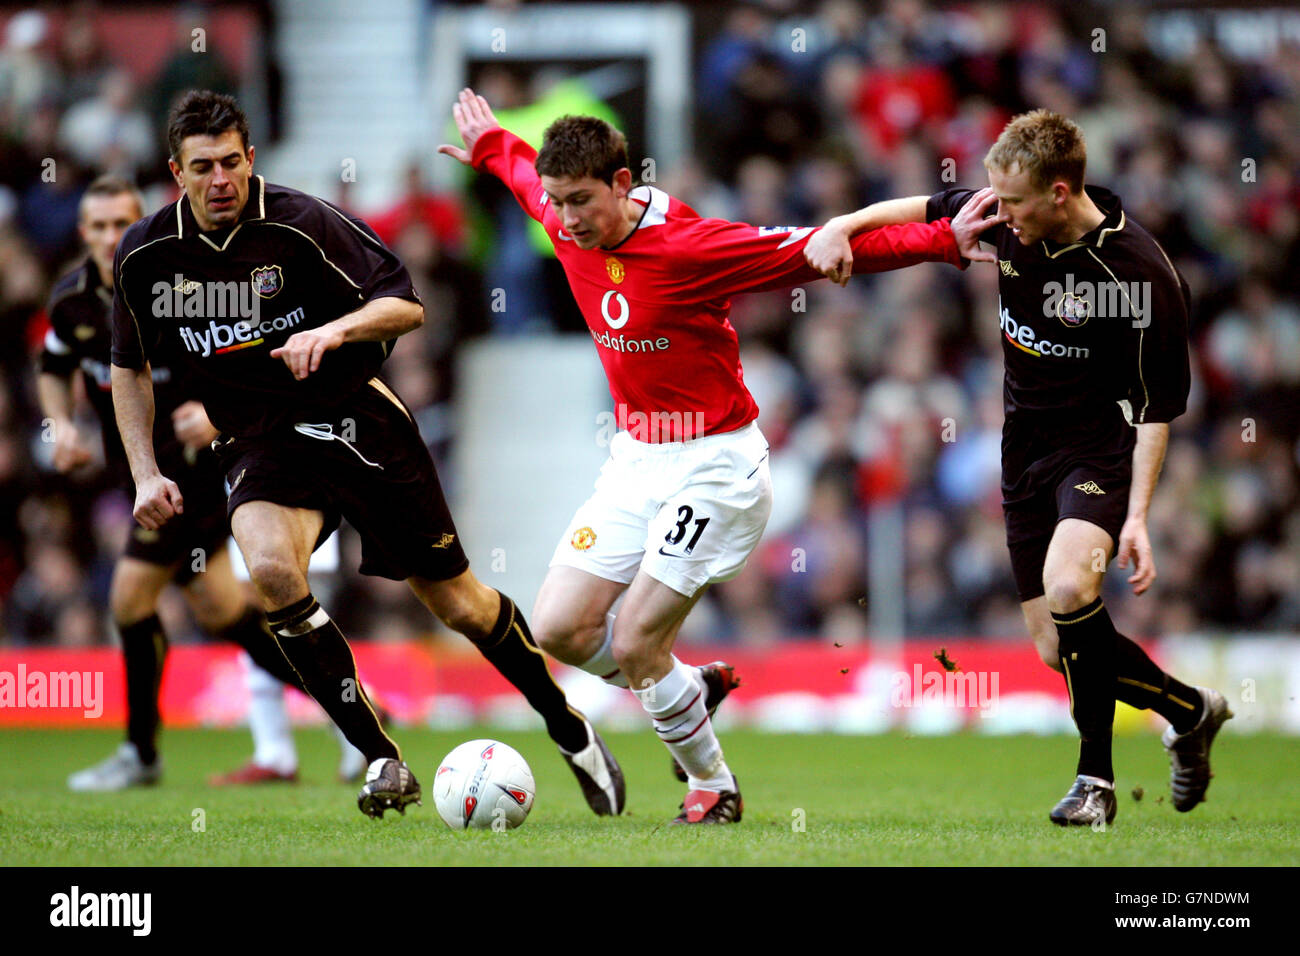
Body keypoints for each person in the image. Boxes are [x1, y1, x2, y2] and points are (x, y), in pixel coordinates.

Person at [439, 88, 992, 823]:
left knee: (636, 639)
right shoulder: (561, 220)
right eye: (557, 201)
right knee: (560, 629)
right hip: (637, 460)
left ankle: (714, 786)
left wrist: (942, 240)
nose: (566, 219)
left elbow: (824, 248)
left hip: (716, 466)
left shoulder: (689, 248)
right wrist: (489, 146)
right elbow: (519, 174)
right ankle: (683, 691)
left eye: (581, 201)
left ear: (623, 184)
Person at [110, 90, 622, 819]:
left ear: (251, 158)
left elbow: (406, 304)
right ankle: (382, 757)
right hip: (259, 438)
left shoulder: (304, 223)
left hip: (358, 425)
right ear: (176, 172)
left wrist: (338, 331)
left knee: (461, 606)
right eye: (203, 168)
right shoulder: (148, 256)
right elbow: (127, 367)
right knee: (271, 568)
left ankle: (571, 730)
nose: (220, 179)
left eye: (231, 162)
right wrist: (144, 472)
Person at [803, 109, 1231, 826]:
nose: (997, 214)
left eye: (1014, 203)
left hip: (1094, 453)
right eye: (994, 198)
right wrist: (839, 227)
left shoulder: (1139, 275)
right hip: (1021, 454)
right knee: (1051, 649)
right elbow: (911, 208)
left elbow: (1157, 411)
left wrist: (1137, 519)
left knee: (1070, 588)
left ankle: (1094, 782)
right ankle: (1190, 711)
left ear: (1060, 192)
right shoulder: (1007, 214)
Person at [41, 175, 364, 790]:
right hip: (142, 476)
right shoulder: (71, 302)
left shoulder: (181, 290)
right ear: (84, 233)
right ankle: (352, 709)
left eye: (122, 224)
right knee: (225, 612)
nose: (112, 236)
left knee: (128, 600)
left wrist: (216, 413)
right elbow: (53, 365)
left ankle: (141, 753)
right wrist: (61, 425)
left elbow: (250, 355)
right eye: (100, 226)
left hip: (197, 474)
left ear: (142, 225)